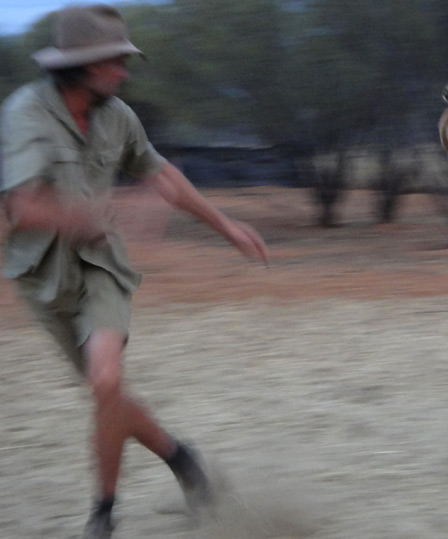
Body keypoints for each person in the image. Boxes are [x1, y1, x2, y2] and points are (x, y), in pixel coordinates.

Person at [0, 4, 270, 538]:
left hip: (102, 268)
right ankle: (183, 460)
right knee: (109, 395)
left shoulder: (118, 115)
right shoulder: (26, 113)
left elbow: (161, 174)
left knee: (105, 380)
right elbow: (21, 209)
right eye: (114, 62)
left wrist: (226, 225)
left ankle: (102, 516)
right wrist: (104, 213)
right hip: (44, 278)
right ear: (82, 65)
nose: (124, 72)